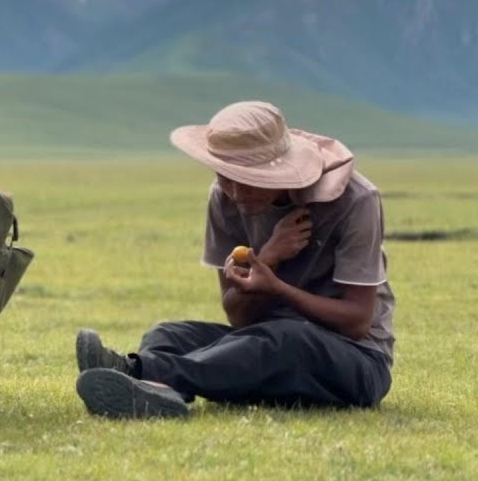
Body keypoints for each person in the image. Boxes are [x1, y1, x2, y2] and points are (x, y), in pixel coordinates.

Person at [74, 101, 395, 419]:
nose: (237, 192)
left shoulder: (355, 200)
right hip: (267, 343)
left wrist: (278, 289)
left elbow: (357, 321)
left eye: (247, 178)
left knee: (285, 338)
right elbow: (240, 319)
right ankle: (159, 393)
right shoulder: (224, 199)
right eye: (226, 176)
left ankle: (139, 372)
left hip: (356, 362)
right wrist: (268, 258)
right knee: (168, 335)